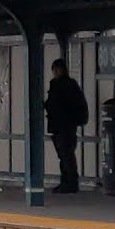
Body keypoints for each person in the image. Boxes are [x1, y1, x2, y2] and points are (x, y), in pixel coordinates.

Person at [44, 58, 89, 194]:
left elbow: (55, 105)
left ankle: (69, 183)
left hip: (62, 125)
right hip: (66, 125)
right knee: (65, 155)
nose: (55, 72)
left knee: (65, 155)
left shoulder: (61, 85)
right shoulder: (70, 85)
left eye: (56, 69)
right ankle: (68, 182)